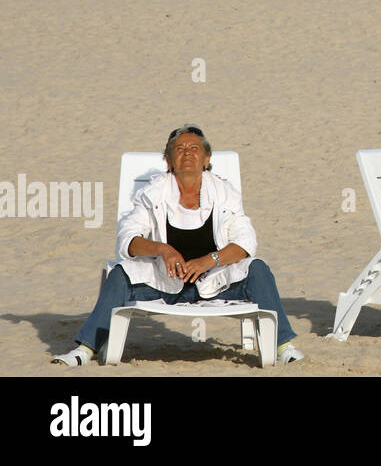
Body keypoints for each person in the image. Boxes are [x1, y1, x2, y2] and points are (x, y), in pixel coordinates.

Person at [52, 124, 301, 366]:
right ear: (169, 161)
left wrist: (209, 260)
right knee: (120, 274)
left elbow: (247, 242)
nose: (187, 153)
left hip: (216, 281)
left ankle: (283, 347)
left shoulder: (224, 194)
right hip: (164, 282)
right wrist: (164, 250)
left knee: (258, 269)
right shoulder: (153, 194)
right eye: (179, 149)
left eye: (194, 148)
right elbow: (127, 239)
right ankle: (85, 350)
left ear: (206, 159)